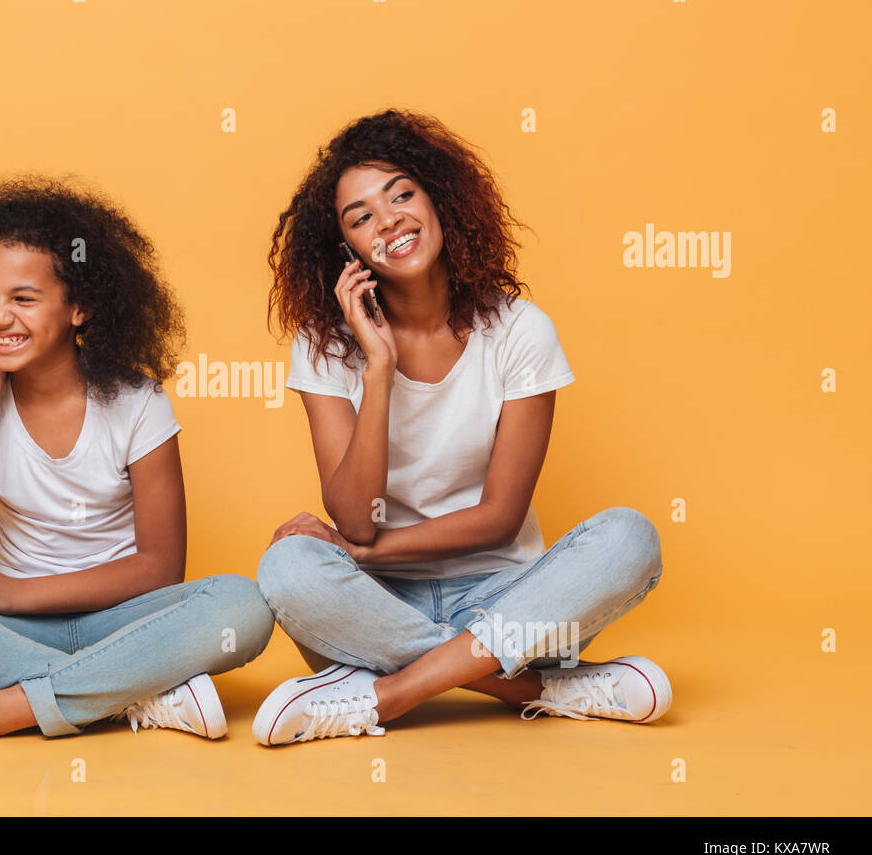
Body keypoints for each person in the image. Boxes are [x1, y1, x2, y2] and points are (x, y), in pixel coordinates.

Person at [252, 109, 670, 746]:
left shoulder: (521, 331)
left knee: (628, 539)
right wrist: (379, 367)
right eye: (361, 216)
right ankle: (540, 689)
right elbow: (356, 516)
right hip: (381, 604)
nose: (388, 220)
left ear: (438, 200)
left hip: (509, 597)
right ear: (348, 250)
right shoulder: (325, 344)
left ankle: (386, 694)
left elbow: (499, 518)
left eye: (401, 194)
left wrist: (361, 550)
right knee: (288, 568)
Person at [0, 174, 274, 752]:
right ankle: (136, 692)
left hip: (125, 618)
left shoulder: (136, 404)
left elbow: (160, 568)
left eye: (24, 298)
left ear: (81, 307)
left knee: (243, 605)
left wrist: (17, 594)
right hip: (9, 629)